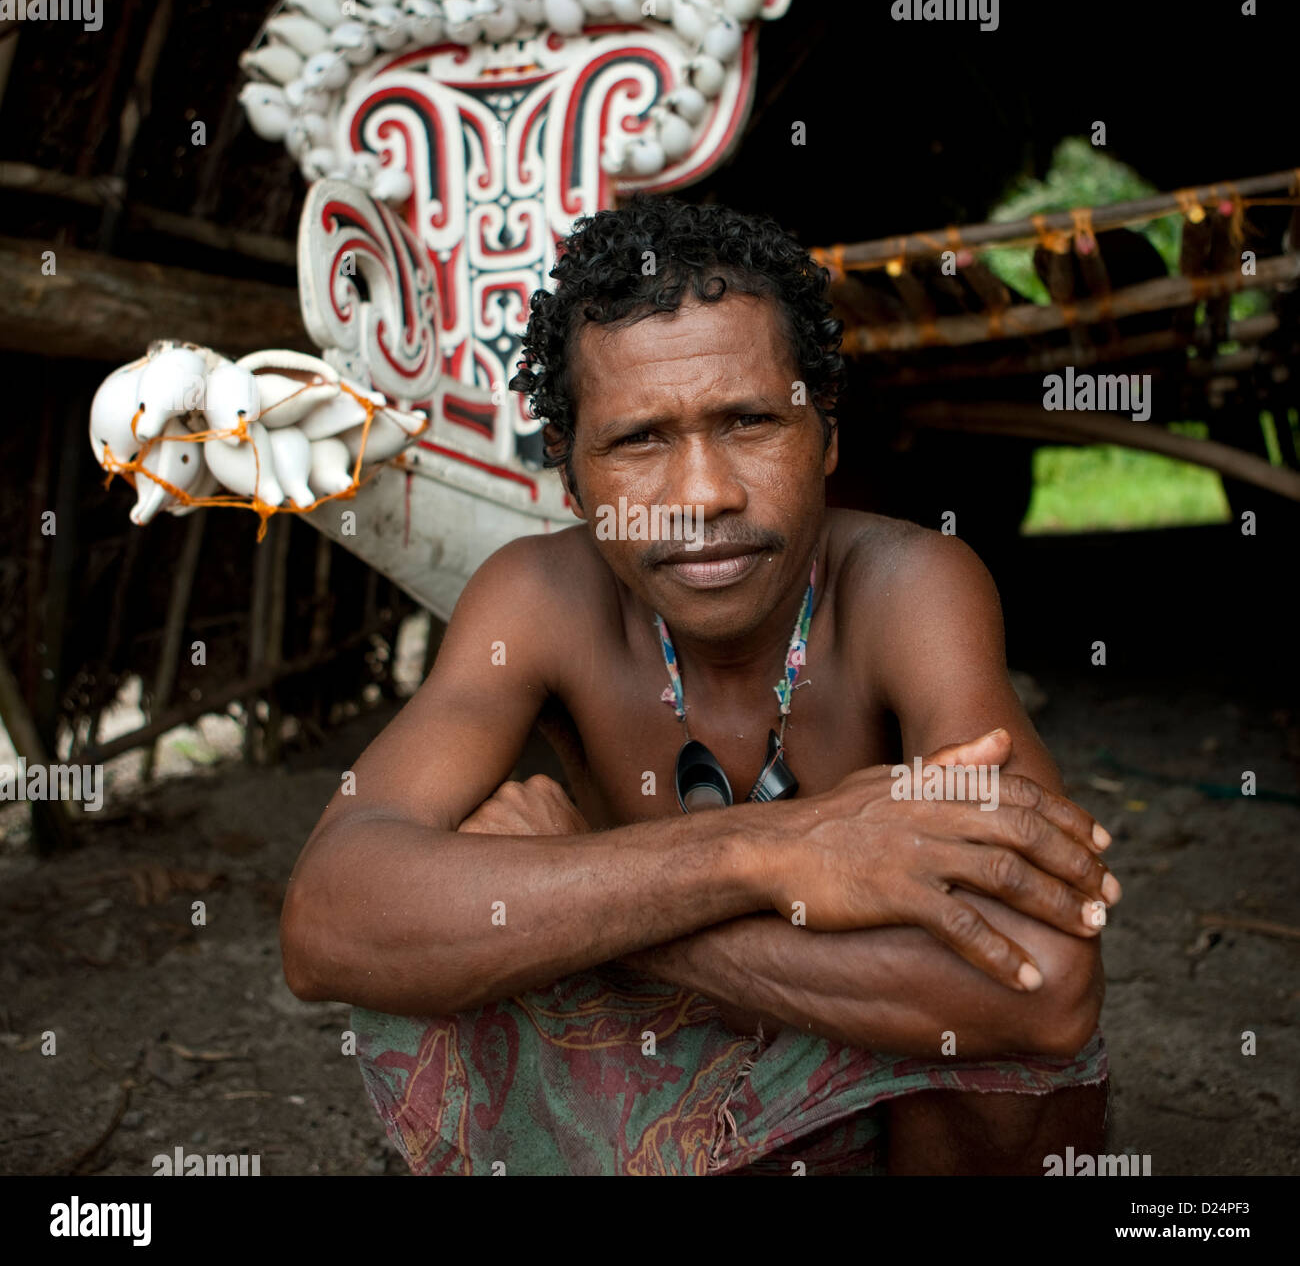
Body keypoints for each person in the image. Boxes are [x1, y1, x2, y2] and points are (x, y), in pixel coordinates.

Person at [280, 194, 1117, 1175]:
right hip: (663, 1074)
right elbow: (332, 917)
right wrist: (768, 851)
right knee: (418, 966)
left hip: (870, 1103)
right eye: (639, 441)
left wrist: (599, 900)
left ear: (826, 438)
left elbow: (1048, 987)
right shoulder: (536, 599)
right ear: (570, 472)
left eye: (749, 422)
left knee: (1003, 1069)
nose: (703, 495)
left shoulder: (909, 588)